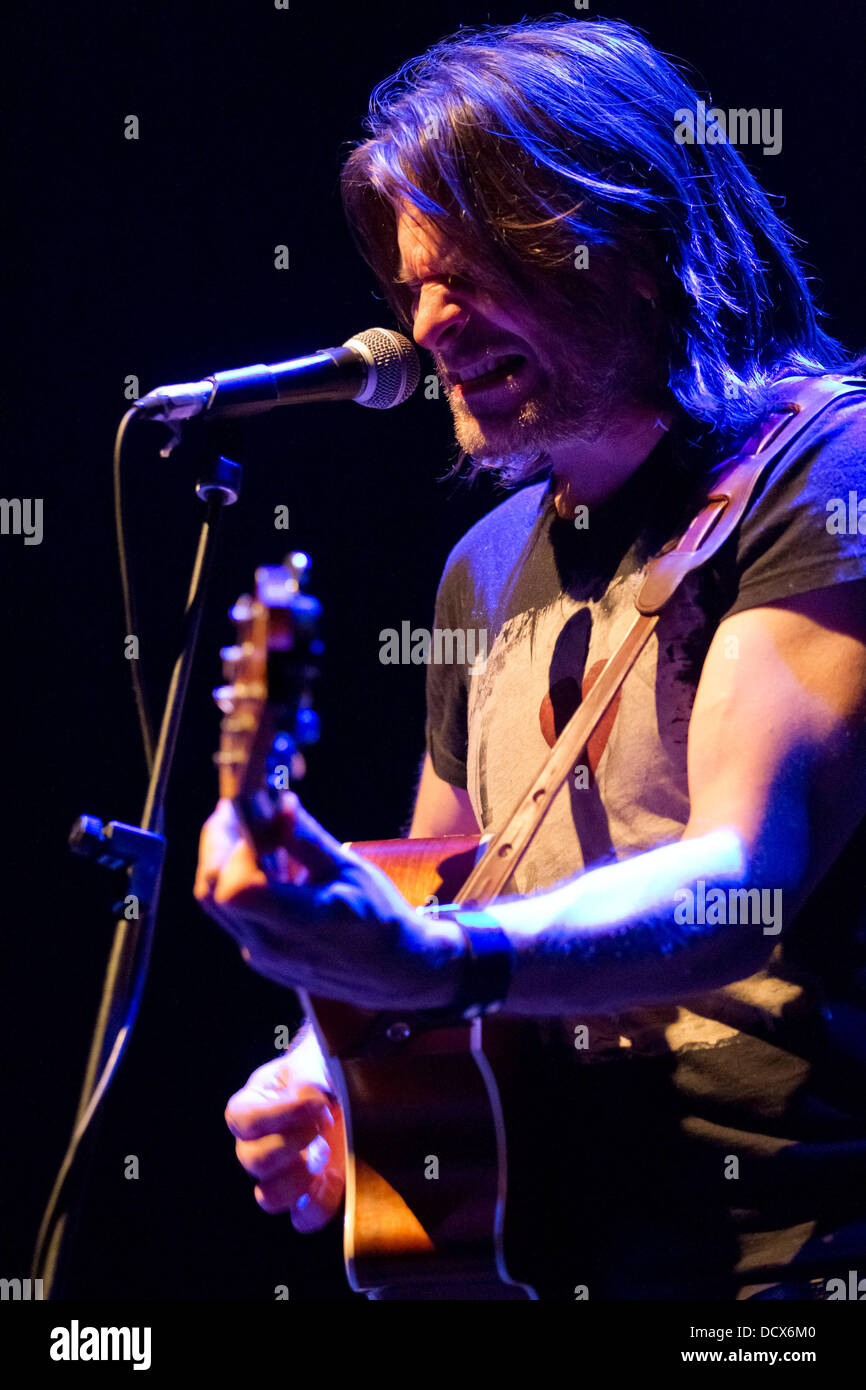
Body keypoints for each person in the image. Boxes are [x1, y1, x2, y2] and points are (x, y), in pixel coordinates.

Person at [194, 17, 866, 1300]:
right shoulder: (484, 563)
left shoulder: (821, 479)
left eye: (478, 273)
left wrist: (443, 967)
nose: (432, 325)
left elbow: (741, 874)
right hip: (543, 1250)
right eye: (413, 286)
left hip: (784, 1250)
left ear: (631, 247)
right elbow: (442, 886)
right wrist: (324, 1057)